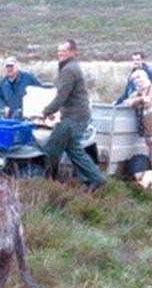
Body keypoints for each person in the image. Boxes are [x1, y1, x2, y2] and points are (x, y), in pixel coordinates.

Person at [37, 39, 107, 191]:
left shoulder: (69, 70)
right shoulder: (70, 67)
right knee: (73, 149)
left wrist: (45, 112)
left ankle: (48, 181)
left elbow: (61, 96)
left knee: (51, 147)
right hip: (78, 115)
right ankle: (95, 179)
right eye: (59, 51)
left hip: (74, 117)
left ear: (73, 52)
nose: (60, 53)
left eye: (64, 51)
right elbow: (65, 97)